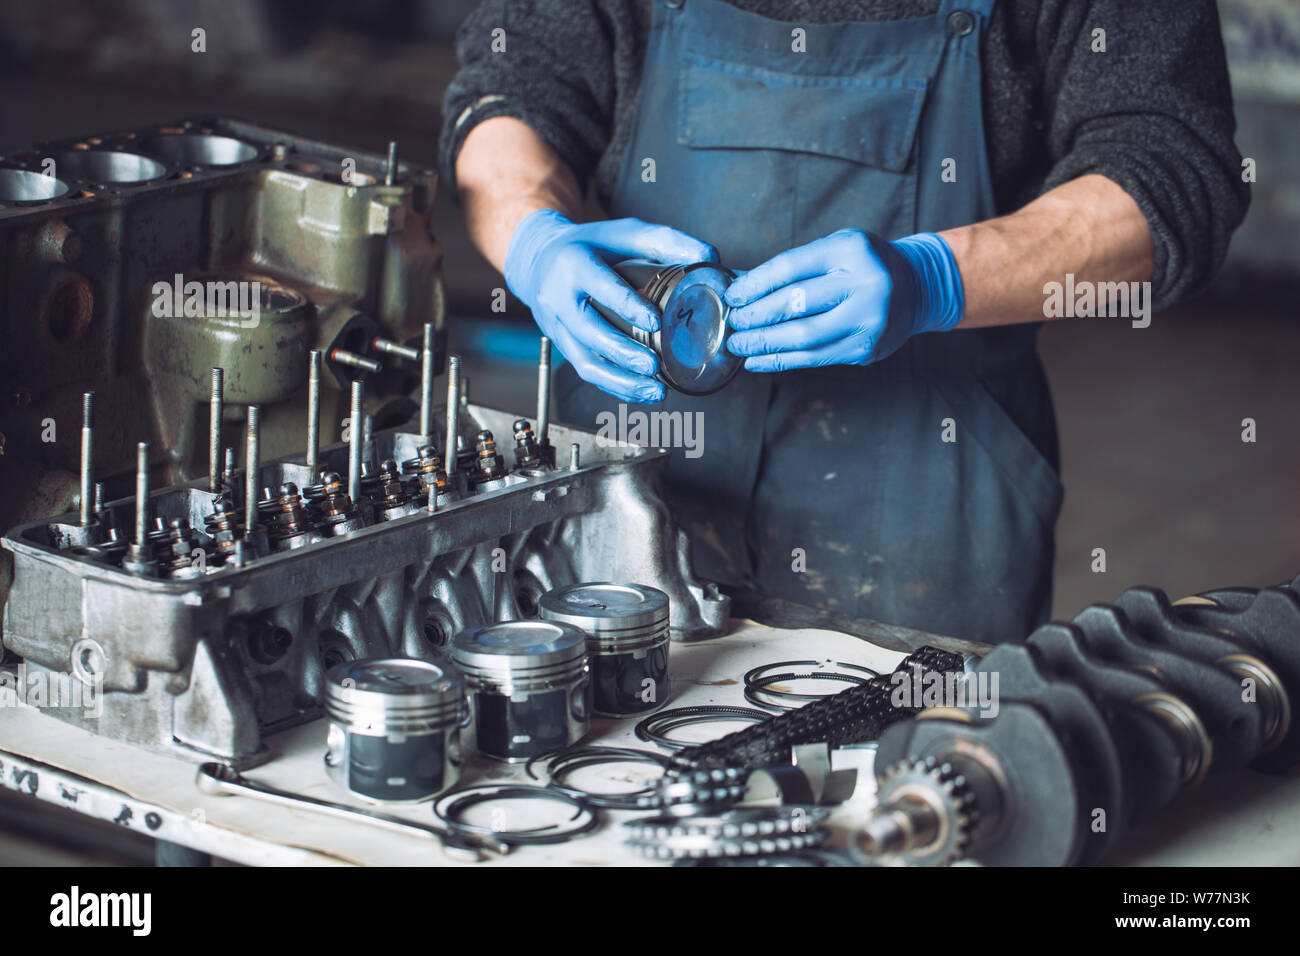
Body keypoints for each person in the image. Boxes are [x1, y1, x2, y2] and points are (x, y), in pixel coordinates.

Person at [439, 0, 1248, 643]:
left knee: (912, 803)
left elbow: (1169, 170)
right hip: (637, 477)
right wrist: (536, 240)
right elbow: (513, 85)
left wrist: (934, 278)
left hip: (928, 509)